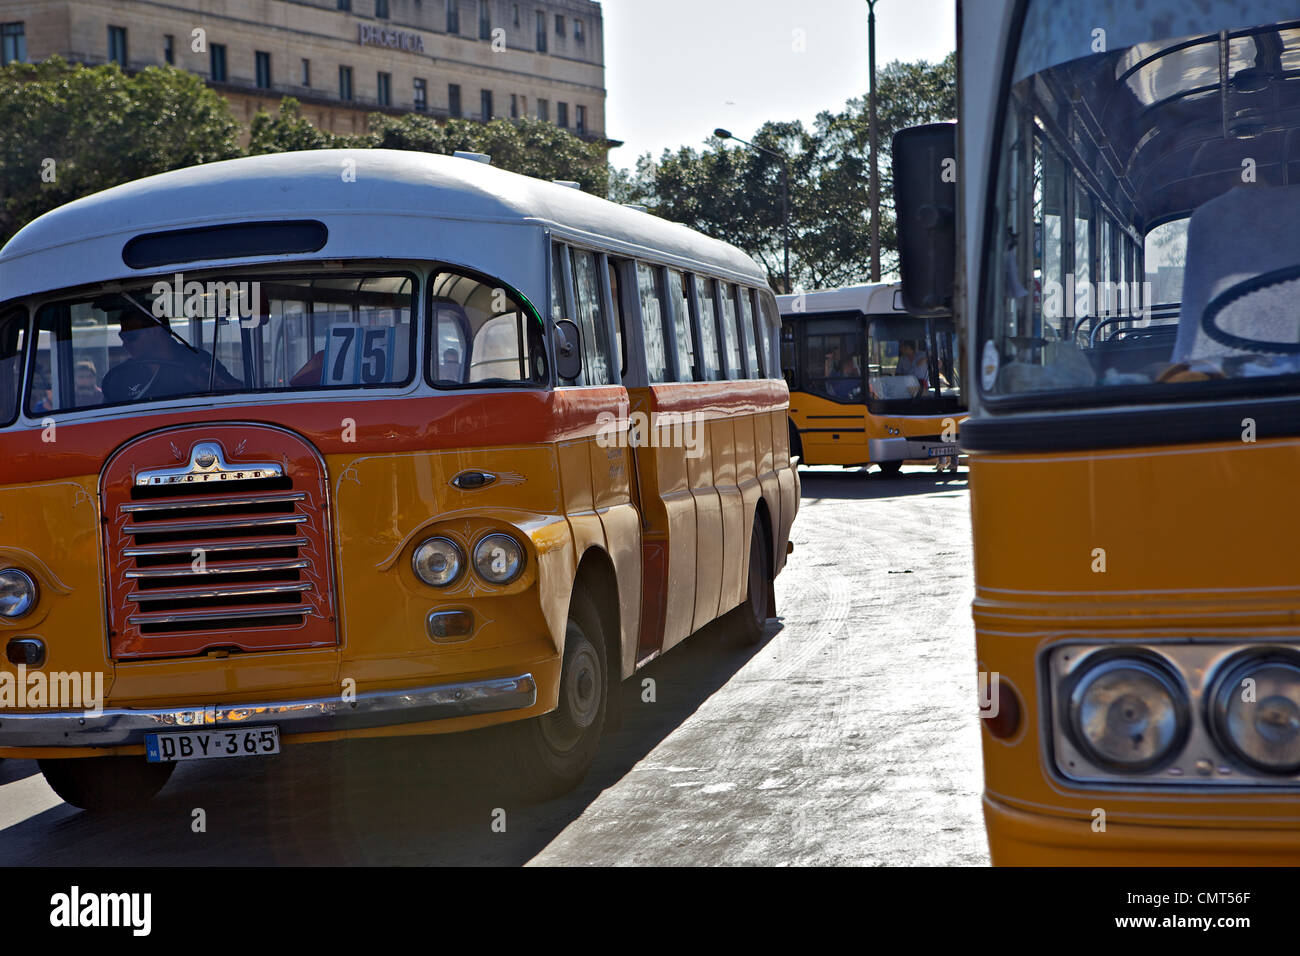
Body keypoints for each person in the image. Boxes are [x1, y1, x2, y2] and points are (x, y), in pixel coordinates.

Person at [100, 298, 239, 404]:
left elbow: (238, 393)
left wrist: (215, 388)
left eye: (131, 337)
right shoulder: (120, 377)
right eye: (122, 337)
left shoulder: (198, 361)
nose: (124, 344)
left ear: (155, 330)